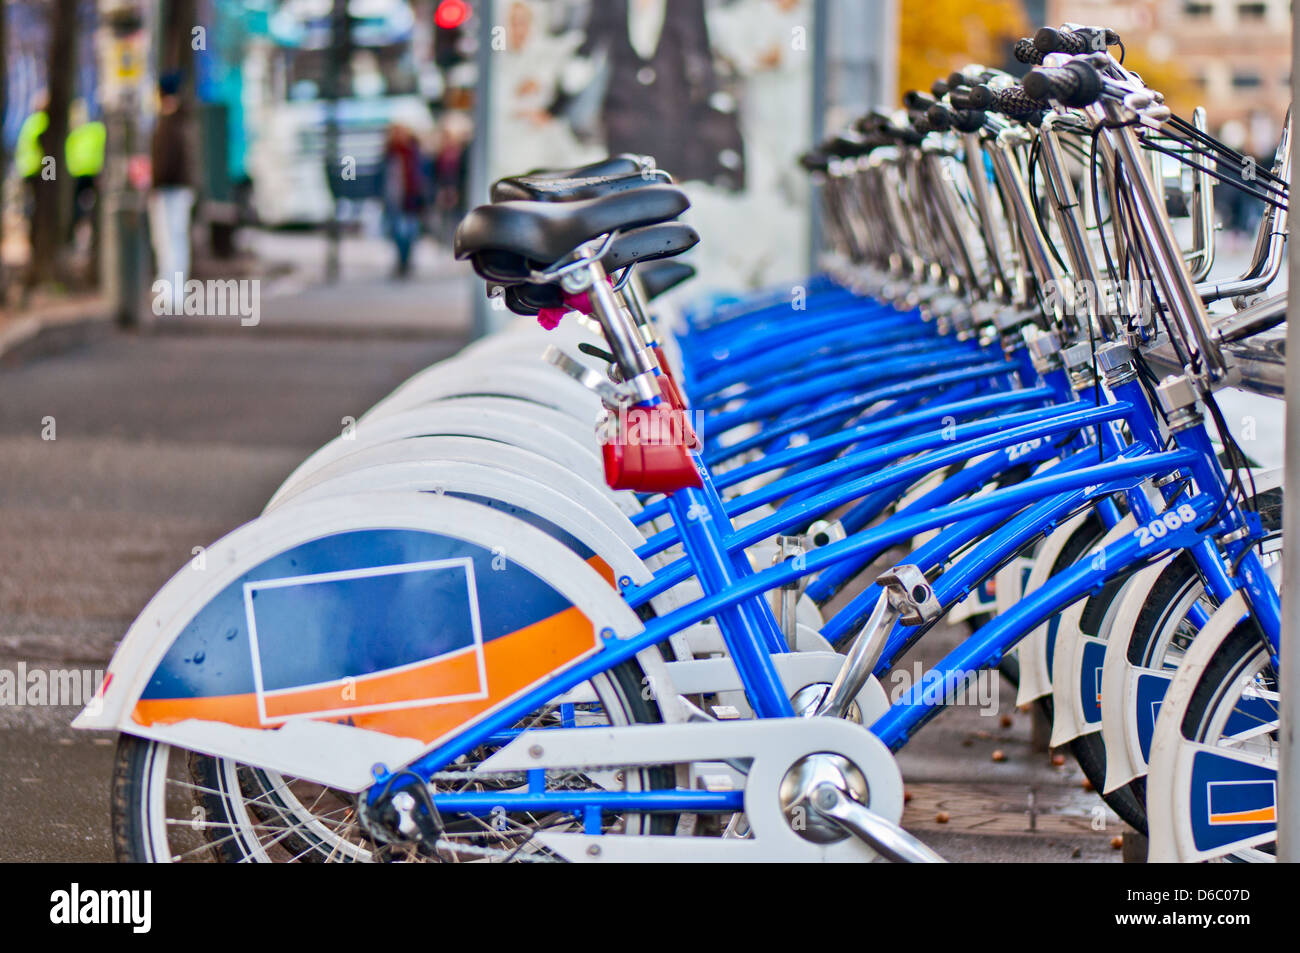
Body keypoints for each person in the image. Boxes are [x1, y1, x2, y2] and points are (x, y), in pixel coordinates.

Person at [148, 73, 194, 314]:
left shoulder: (167, 124)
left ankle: (171, 292)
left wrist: (155, 185)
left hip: (169, 192)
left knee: (168, 241)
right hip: (179, 190)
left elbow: (164, 162)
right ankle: (175, 290)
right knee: (177, 241)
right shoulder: (183, 120)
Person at [381, 122, 427, 278]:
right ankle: (401, 261)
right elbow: (383, 178)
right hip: (394, 200)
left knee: (410, 233)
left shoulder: (414, 152)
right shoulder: (388, 153)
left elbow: (423, 174)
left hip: (411, 199)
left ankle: (406, 262)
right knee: (398, 233)